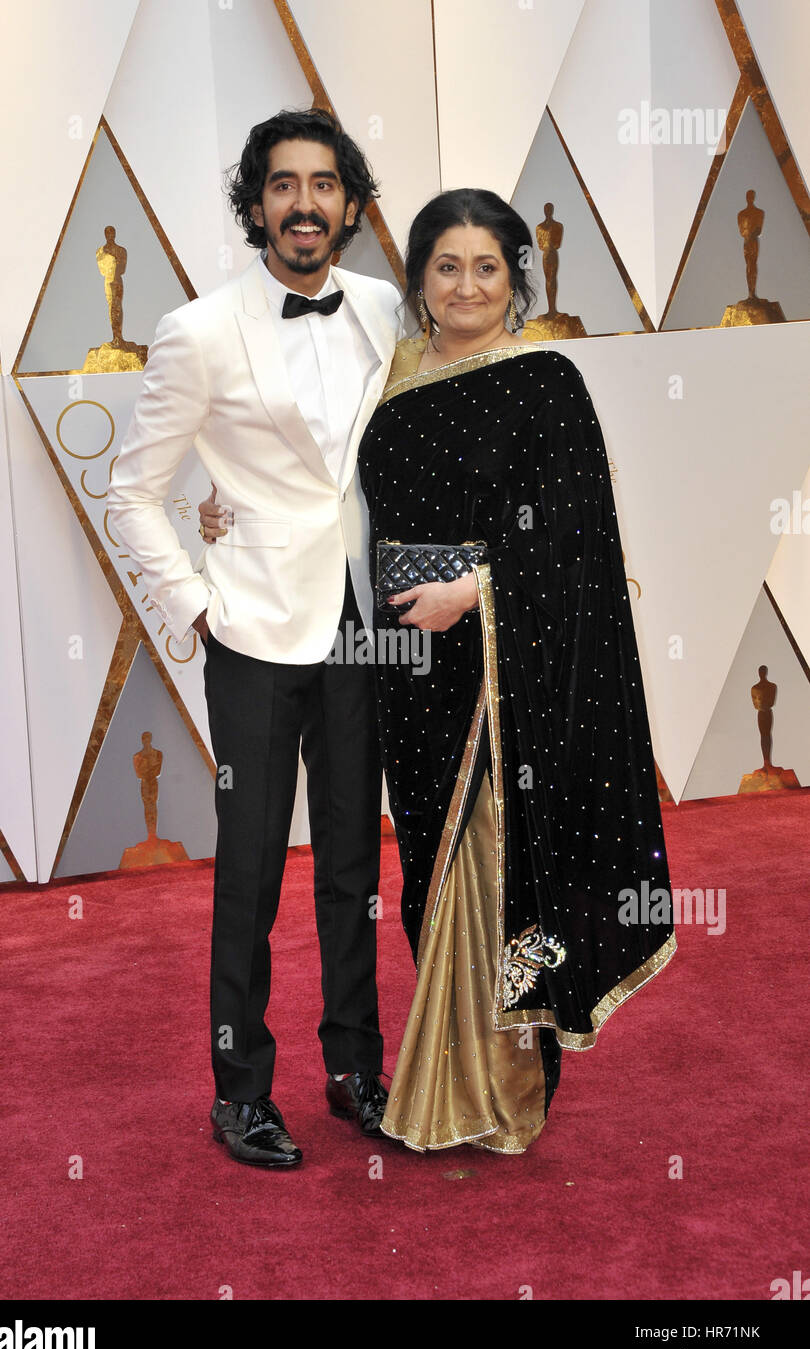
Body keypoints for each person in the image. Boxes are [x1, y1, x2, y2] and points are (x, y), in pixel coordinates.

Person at [200, 186, 677, 1156]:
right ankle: (443, 1068)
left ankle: (501, 1089)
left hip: (506, 670)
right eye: (445, 266)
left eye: (486, 267)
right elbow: (315, 487)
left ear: (515, 278)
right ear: (417, 278)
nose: (465, 285)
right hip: (405, 668)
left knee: (498, 866)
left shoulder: (543, 380)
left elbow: (578, 537)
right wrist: (226, 508)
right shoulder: (387, 377)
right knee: (425, 871)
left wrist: (477, 589)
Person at [107, 108, 405, 1169]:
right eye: (282, 185)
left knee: (352, 868)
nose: (304, 203)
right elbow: (132, 493)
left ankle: (355, 1070)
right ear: (254, 206)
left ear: (350, 205)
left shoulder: (383, 308)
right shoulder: (199, 330)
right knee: (247, 872)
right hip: (252, 635)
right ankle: (239, 1091)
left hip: (363, 631)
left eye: (323, 184)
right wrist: (195, 603)